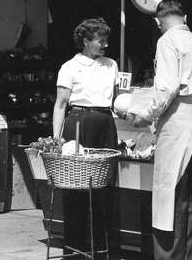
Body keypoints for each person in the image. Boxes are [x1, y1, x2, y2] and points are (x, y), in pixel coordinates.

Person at [126, 0, 192, 260]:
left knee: (169, 192)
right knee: (191, 196)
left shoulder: (166, 41)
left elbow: (166, 88)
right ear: (184, 17)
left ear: (157, 21)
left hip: (177, 119)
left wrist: (145, 116)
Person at [52, 17, 119, 254]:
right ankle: (73, 250)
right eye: (100, 41)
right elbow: (60, 105)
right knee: (77, 189)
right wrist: (57, 140)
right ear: (85, 41)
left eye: (106, 40)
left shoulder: (111, 64)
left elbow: (117, 99)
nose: (105, 45)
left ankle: (101, 250)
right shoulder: (70, 67)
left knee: (105, 188)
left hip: (105, 124)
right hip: (78, 123)